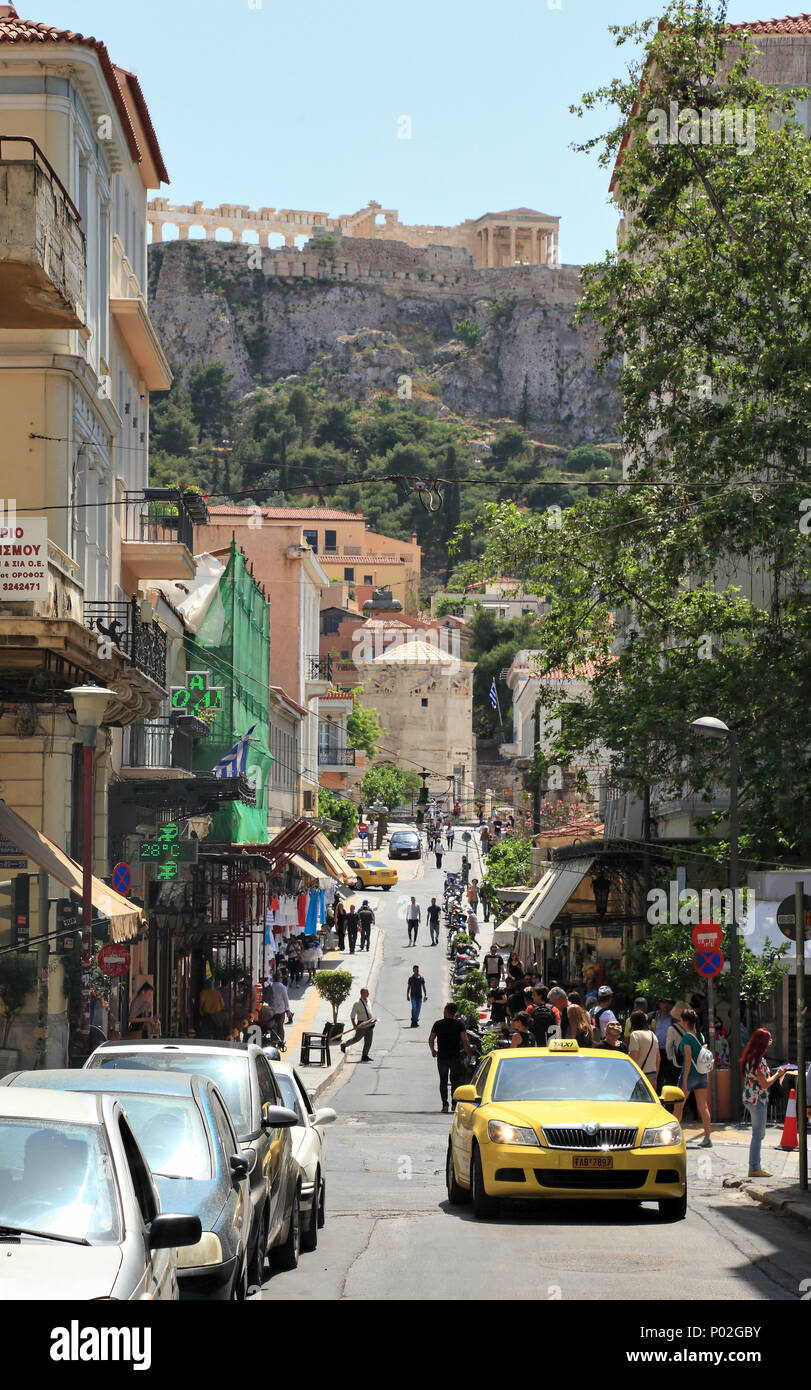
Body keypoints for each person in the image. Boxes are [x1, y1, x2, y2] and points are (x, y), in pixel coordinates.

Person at [740, 1028, 792, 1178]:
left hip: (752, 1098)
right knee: (758, 1135)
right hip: (757, 1100)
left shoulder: (751, 1058)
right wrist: (778, 1074)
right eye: (768, 1041)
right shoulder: (757, 1061)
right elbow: (765, 1084)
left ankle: (755, 1166)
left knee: (758, 1134)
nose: (769, 1044)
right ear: (762, 1043)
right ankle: (754, 1167)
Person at [673, 1006, 712, 1145]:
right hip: (702, 1074)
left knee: (678, 1106)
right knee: (703, 1106)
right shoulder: (700, 1035)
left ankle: (674, 1137)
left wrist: (684, 1080)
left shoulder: (687, 1037)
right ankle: (707, 1137)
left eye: (681, 1020)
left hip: (689, 1075)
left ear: (684, 1021)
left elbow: (687, 1060)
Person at [429, 1003, 473, 1113]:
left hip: (442, 1057)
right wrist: (469, 1055)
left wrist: (433, 1050)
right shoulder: (459, 1025)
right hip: (455, 1057)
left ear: (446, 1011)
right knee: (454, 1081)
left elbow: (431, 1039)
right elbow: (465, 1040)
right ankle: (454, 1104)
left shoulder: (438, 1024)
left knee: (443, 1081)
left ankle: (445, 1105)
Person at [627, 1009, 660, 1088]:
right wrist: (655, 1078)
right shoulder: (652, 1035)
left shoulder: (635, 1035)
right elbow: (658, 1058)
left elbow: (634, 1057)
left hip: (639, 1075)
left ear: (632, 1023)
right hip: (652, 1074)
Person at [341, 988, 376, 1061]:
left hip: (369, 1023)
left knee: (369, 1040)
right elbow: (352, 1015)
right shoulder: (357, 1003)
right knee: (357, 1038)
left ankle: (365, 1056)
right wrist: (354, 1025)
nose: (368, 994)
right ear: (362, 993)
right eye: (367, 992)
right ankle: (345, 1044)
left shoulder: (368, 1001)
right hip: (362, 1024)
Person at [267, 971, 294, 1044]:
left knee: (273, 1026)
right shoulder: (283, 987)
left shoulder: (270, 986)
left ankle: (273, 1041)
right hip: (280, 1010)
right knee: (280, 1026)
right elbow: (286, 1000)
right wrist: (287, 1010)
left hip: (272, 1010)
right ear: (280, 979)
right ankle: (281, 1042)